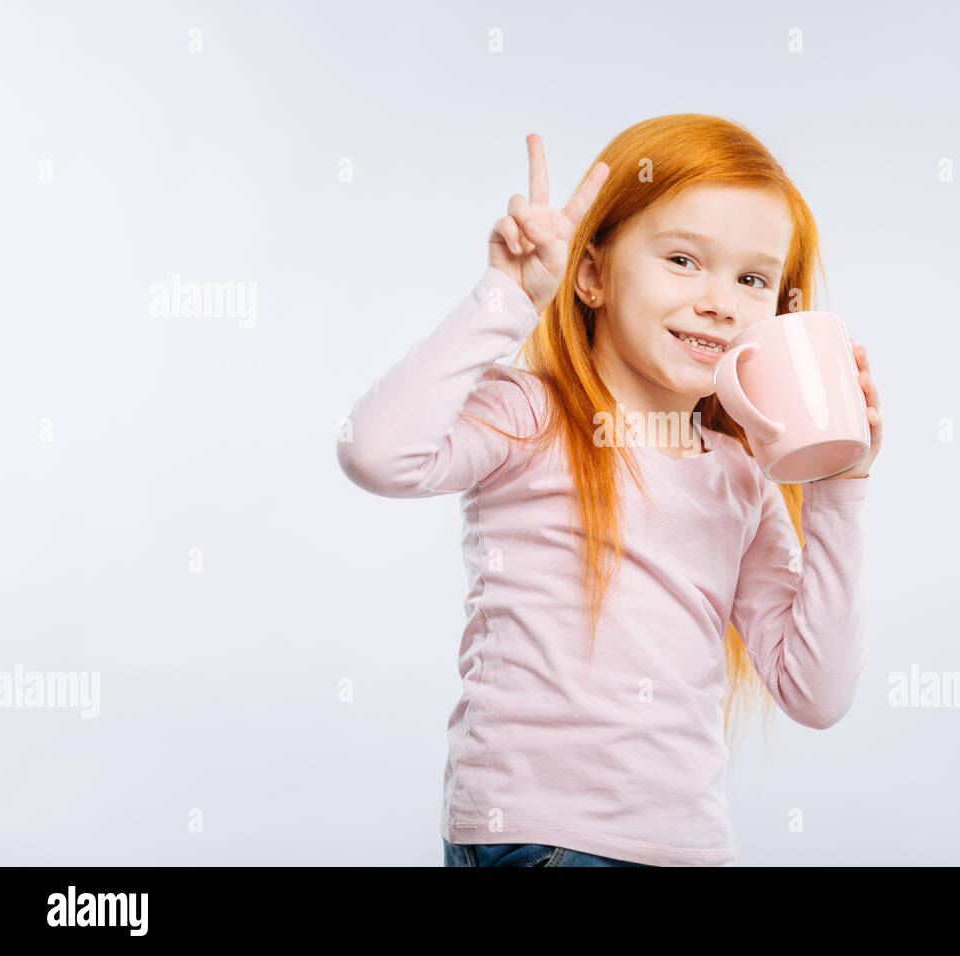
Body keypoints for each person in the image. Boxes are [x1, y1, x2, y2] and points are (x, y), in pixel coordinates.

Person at [336, 115, 884, 867]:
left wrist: (837, 482)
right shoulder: (531, 415)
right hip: (542, 842)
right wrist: (508, 295)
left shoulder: (738, 476)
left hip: (686, 849)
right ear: (591, 275)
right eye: (685, 259)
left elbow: (815, 693)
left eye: (754, 279)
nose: (721, 302)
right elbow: (376, 453)